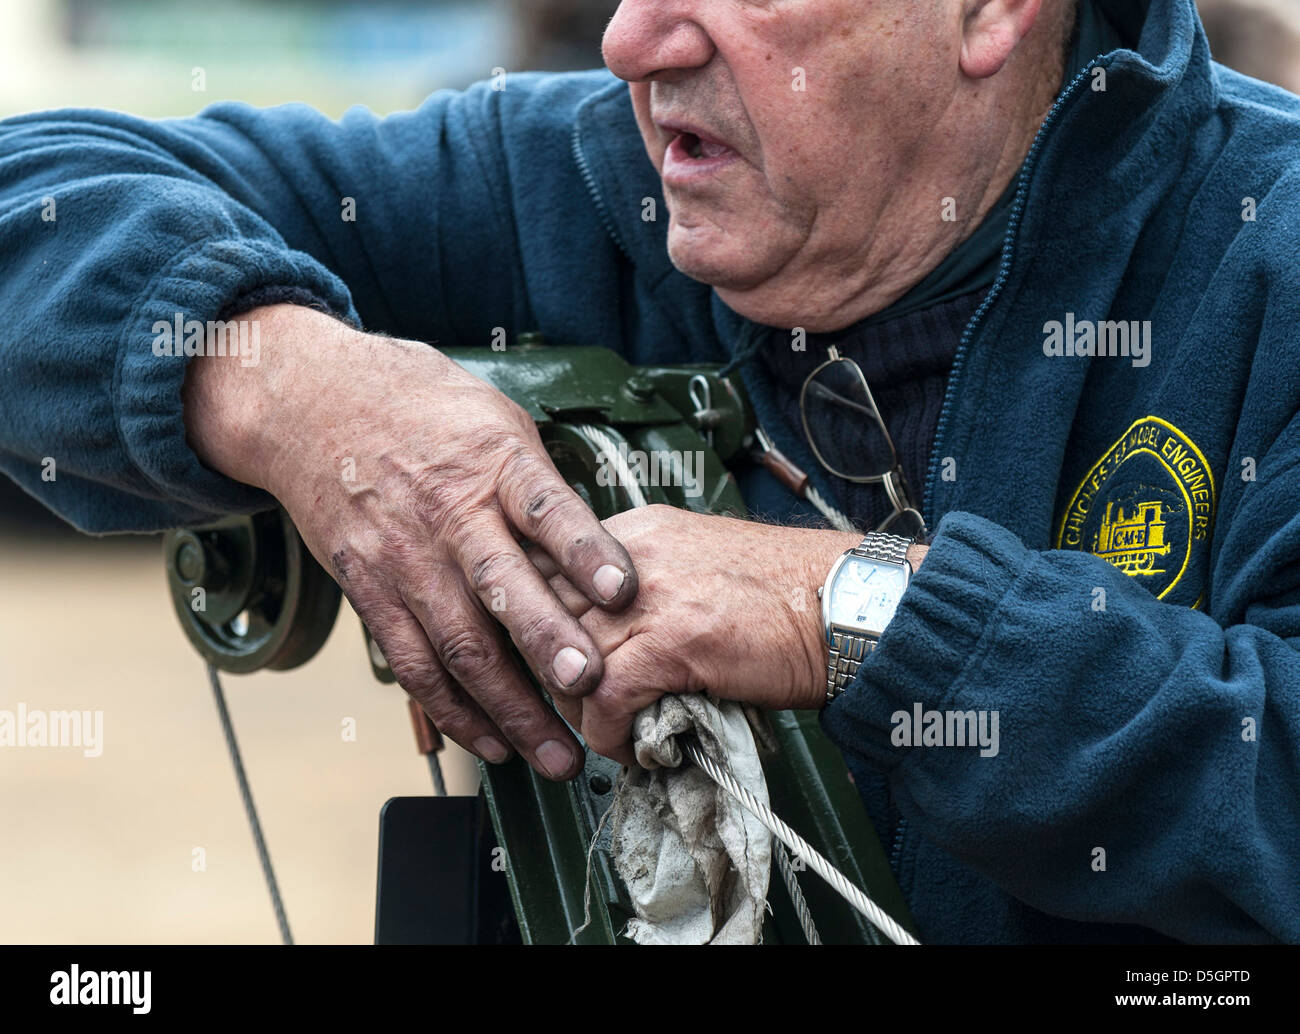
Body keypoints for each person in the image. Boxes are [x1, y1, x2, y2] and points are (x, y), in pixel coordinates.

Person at [1, 0, 1298, 943]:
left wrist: (852, 612)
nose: (631, 40)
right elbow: (36, 199)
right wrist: (300, 388)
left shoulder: (1269, 248)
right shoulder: (552, 181)